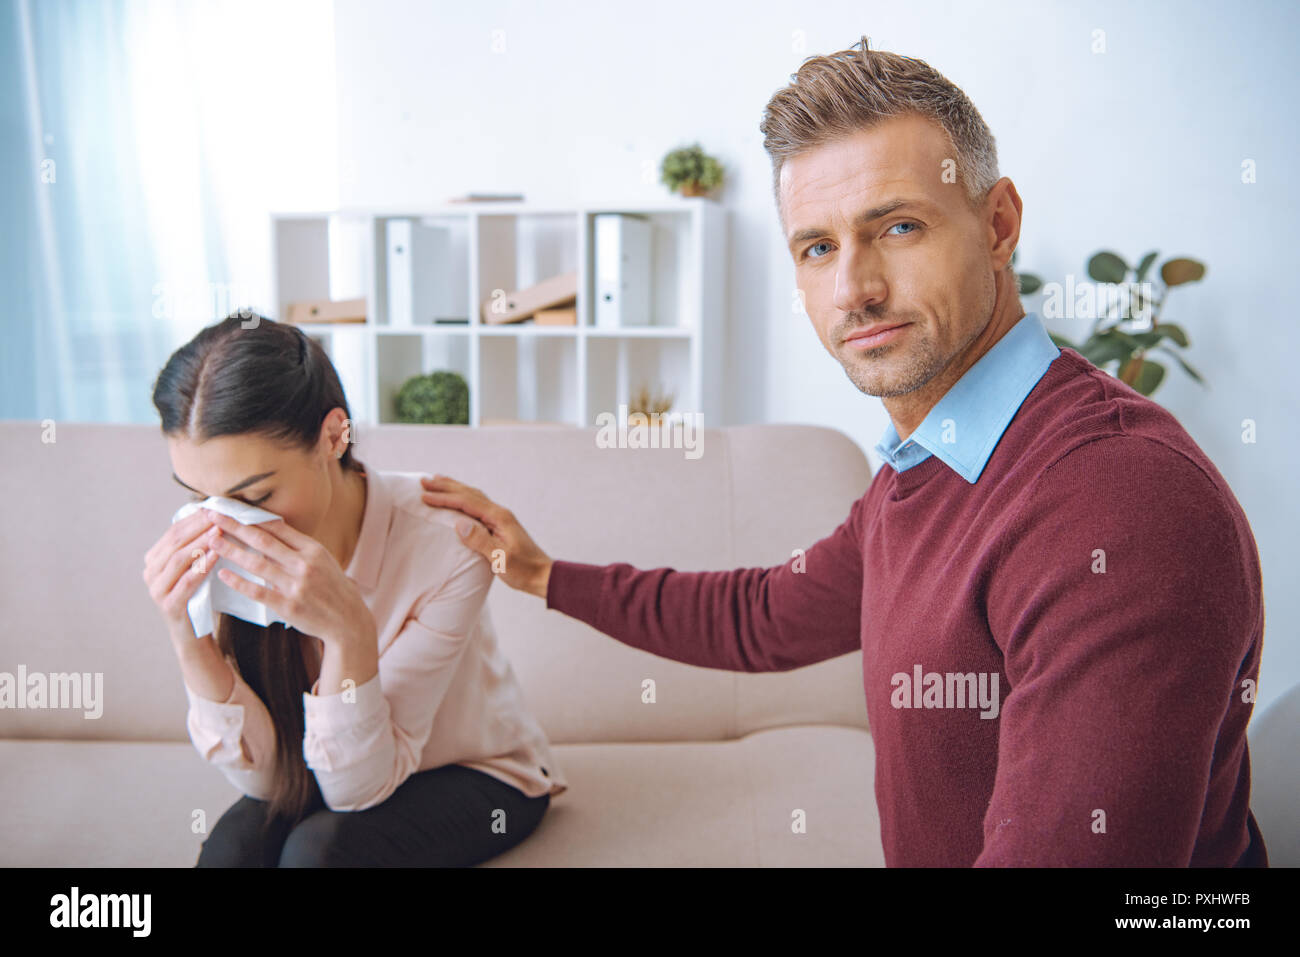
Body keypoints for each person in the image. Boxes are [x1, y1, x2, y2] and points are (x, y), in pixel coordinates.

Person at [418, 38, 1268, 867]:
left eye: (897, 227)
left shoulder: (1119, 505)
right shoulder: (931, 461)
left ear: (998, 224)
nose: (853, 289)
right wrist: (540, 574)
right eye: (817, 247)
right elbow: (761, 617)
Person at [142, 313, 565, 867]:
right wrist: (186, 634)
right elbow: (267, 782)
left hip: (479, 775)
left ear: (334, 436)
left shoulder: (447, 544)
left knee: (317, 853)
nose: (229, 527)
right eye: (201, 497)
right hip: (329, 762)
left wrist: (347, 632)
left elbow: (356, 791)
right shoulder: (214, 539)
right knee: (231, 853)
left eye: (257, 496)